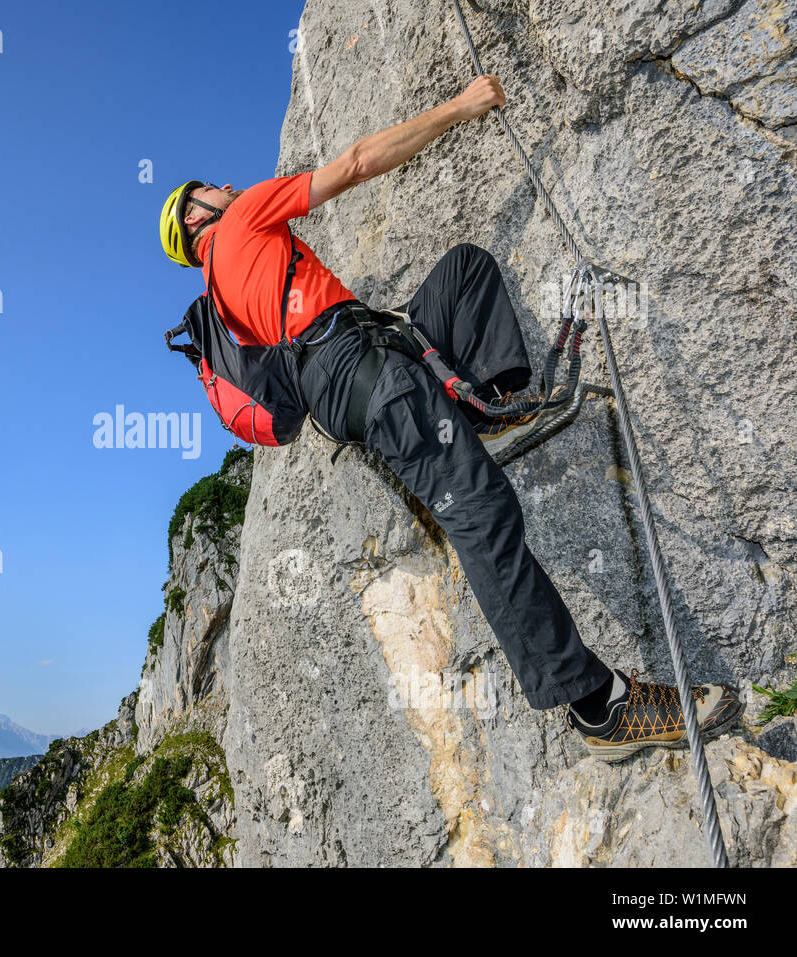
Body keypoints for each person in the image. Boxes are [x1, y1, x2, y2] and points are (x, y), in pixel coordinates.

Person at [158, 75, 740, 762]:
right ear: (197, 218)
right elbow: (357, 163)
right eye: (208, 188)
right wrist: (463, 105)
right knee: (483, 518)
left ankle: (486, 409)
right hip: (364, 374)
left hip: (350, 377)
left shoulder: (220, 297)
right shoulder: (243, 218)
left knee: (462, 274)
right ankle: (597, 705)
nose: (224, 184)